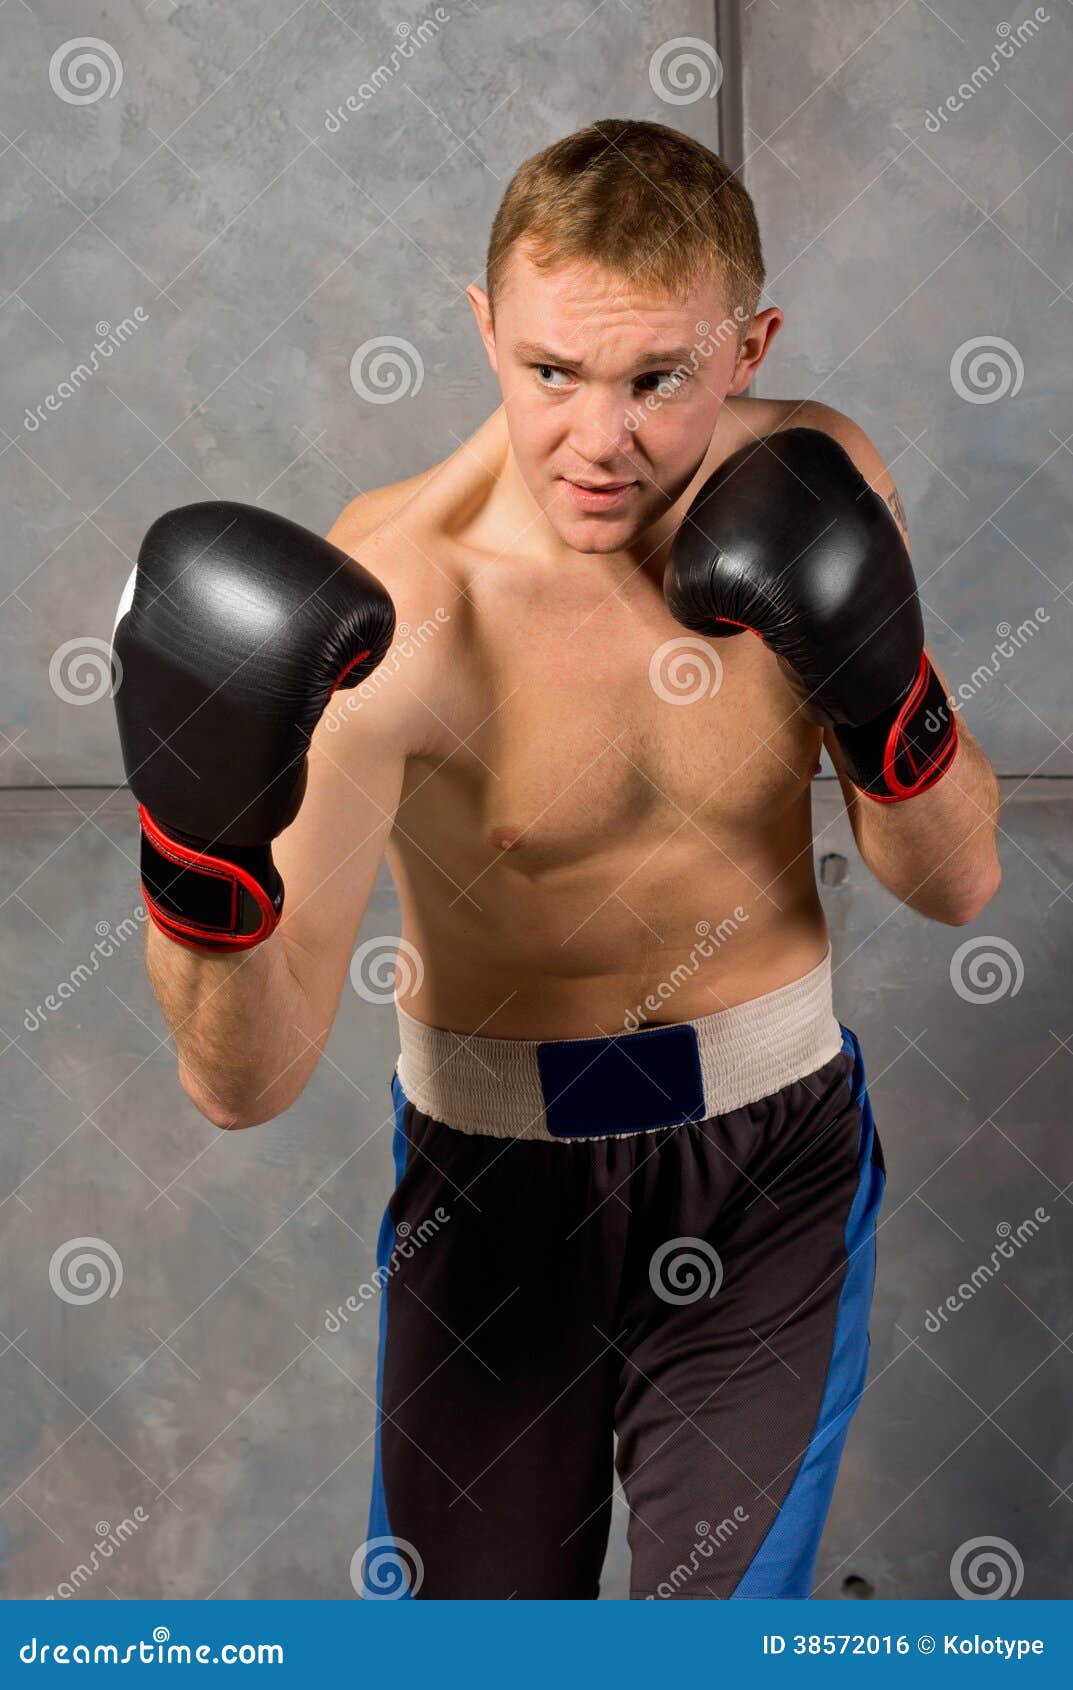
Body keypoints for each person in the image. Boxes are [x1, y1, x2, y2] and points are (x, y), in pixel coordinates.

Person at [113, 118, 1001, 1599]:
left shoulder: (814, 473)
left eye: (658, 378)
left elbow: (950, 880)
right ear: (483, 332)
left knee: (710, 1641)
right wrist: (195, 846)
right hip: (493, 1197)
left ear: (747, 342)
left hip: (770, 1161)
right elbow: (240, 1079)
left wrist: (889, 695)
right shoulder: (400, 606)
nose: (600, 439)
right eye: (548, 373)